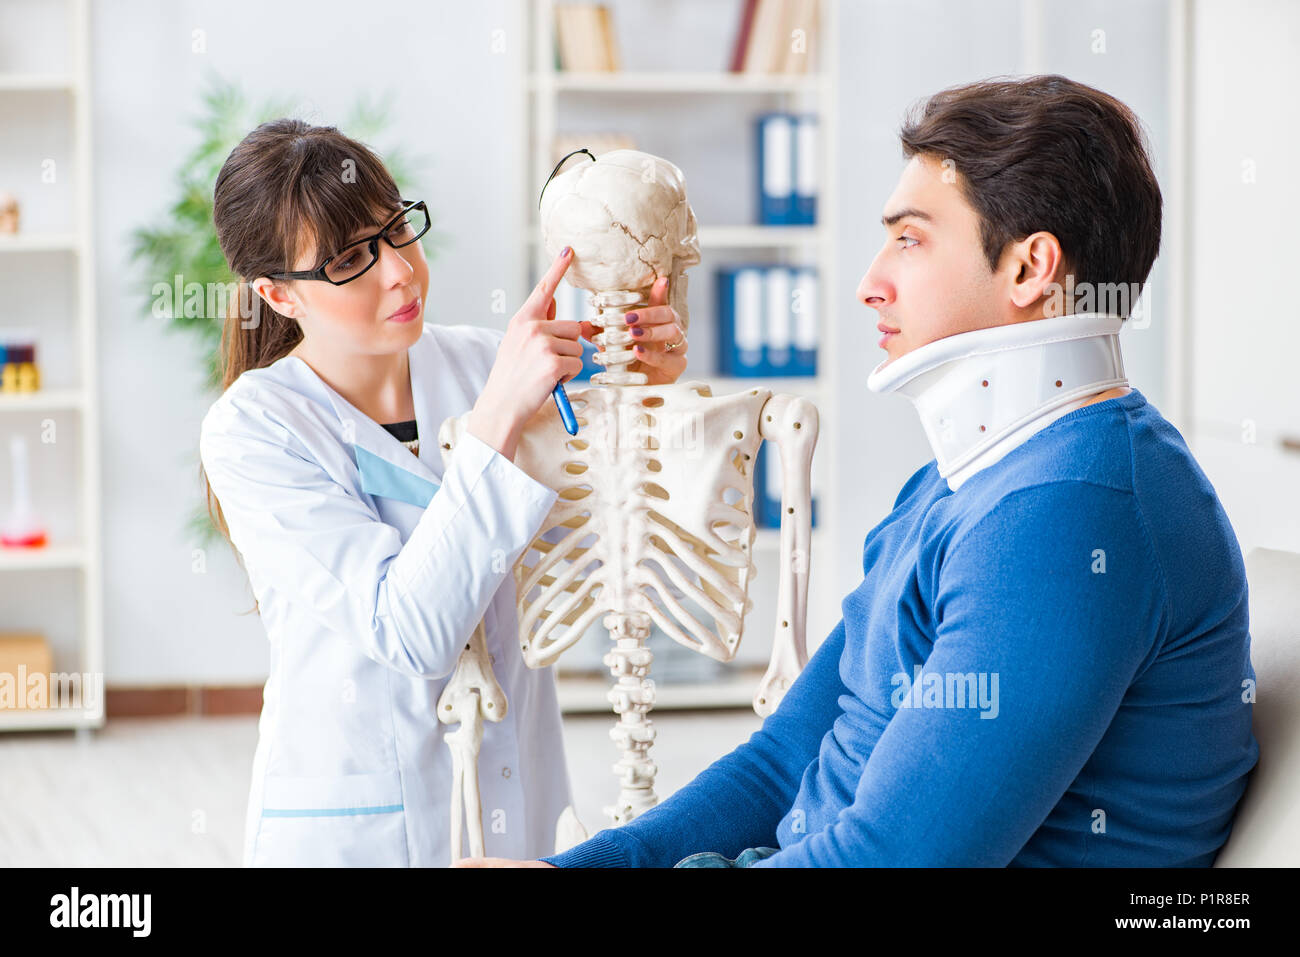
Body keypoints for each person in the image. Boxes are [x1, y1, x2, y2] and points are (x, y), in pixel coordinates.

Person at [457, 75, 1260, 868]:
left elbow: (890, 859)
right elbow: (785, 759)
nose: (870, 283)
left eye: (909, 238)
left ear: (1029, 269)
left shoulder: (1072, 512)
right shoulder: (965, 483)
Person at [197, 119, 687, 866]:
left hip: (512, 795)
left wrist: (646, 373)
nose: (399, 272)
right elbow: (410, 630)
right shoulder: (254, 429)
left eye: (397, 231)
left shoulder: (486, 361)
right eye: (353, 259)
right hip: (354, 826)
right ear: (277, 295)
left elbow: (606, 514)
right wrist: (497, 419)